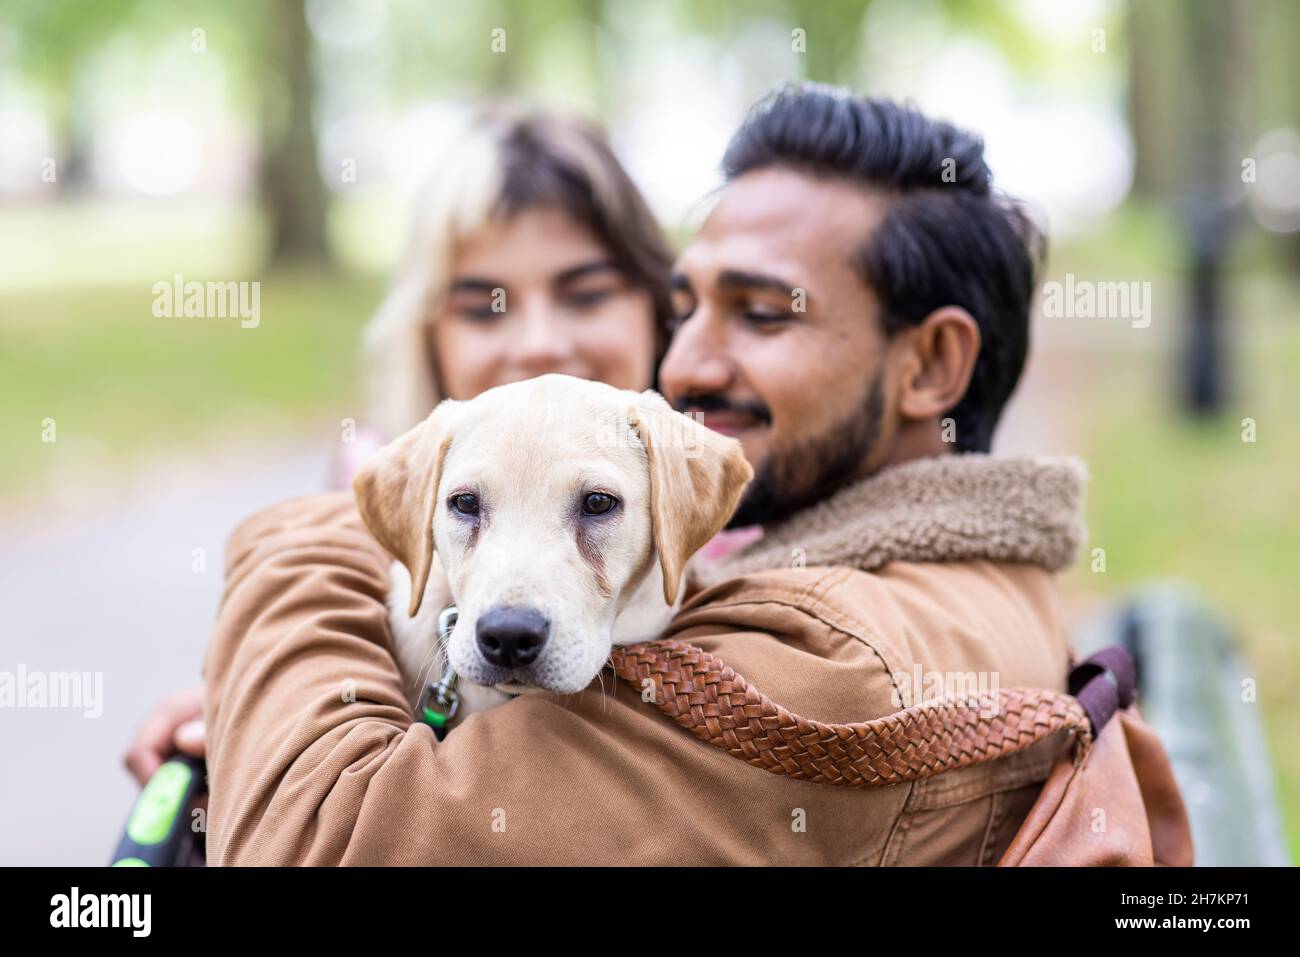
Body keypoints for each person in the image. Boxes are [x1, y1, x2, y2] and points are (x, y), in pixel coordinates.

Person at [200, 86, 1107, 865]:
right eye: (684, 308)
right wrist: (266, 702)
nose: (685, 366)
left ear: (931, 367)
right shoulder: (859, 579)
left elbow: (322, 841)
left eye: (761, 313)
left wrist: (297, 568)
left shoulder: (831, 670)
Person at [123, 106, 674, 786]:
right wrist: (256, 700)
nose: (537, 342)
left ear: (660, 308)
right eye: (484, 306)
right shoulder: (382, 480)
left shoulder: (730, 504)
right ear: (427, 330)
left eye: (586, 294)